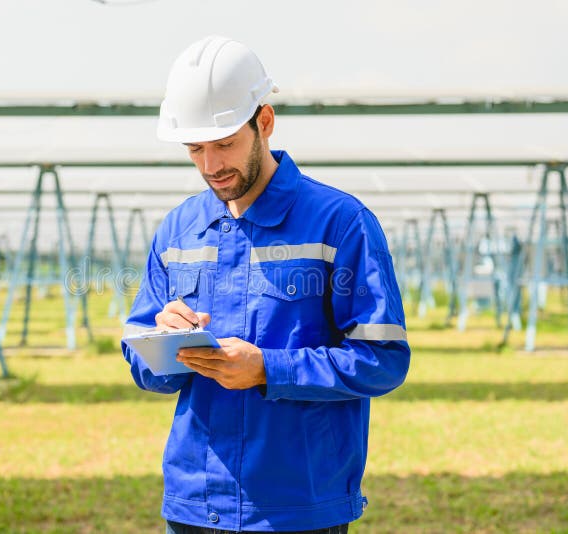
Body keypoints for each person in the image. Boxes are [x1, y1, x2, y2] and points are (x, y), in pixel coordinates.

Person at [122, 35, 410, 533]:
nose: (211, 165)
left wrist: (267, 369)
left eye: (225, 143)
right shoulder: (177, 230)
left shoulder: (340, 224)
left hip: (298, 508)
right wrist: (162, 344)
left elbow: (383, 360)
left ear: (265, 122)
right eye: (195, 149)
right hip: (195, 503)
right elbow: (142, 365)